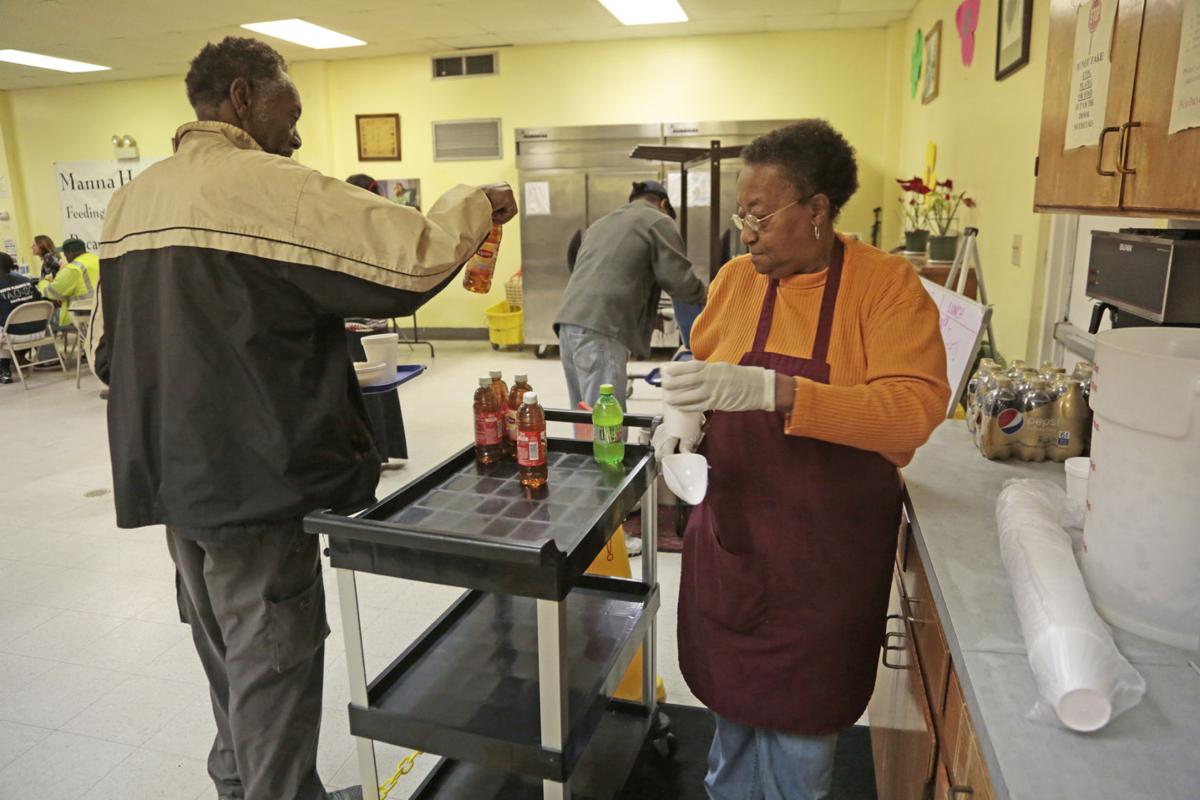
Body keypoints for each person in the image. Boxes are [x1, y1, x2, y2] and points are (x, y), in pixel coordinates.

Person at [90, 36, 517, 800]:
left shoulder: (131, 200)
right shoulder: (263, 184)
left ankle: (239, 786)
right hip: (253, 481)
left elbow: (101, 352)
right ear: (244, 99)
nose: (297, 132)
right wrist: (477, 202)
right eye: (290, 110)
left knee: (227, 658)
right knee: (276, 664)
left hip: (171, 481)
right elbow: (410, 257)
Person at [656, 120, 950, 800]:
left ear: (817, 211)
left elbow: (911, 414)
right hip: (733, 546)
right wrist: (685, 413)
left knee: (800, 743)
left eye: (757, 217)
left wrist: (777, 390)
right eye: (740, 215)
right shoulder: (736, 281)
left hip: (823, 566)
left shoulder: (886, 288)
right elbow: (701, 358)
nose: (745, 233)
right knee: (730, 722)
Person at [555, 179, 706, 410]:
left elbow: (609, 278)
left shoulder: (602, 223)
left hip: (569, 324)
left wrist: (645, 319)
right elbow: (680, 281)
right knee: (607, 423)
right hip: (601, 331)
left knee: (585, 417)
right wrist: (709, 301)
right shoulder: (658, 220)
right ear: (663, 203)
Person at [0, 253, 43, 384]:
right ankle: (14, 360)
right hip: (39, 333)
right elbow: (39, 301)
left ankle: (4, 369)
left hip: (14, 336)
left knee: (4, 328)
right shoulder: (26, 281)